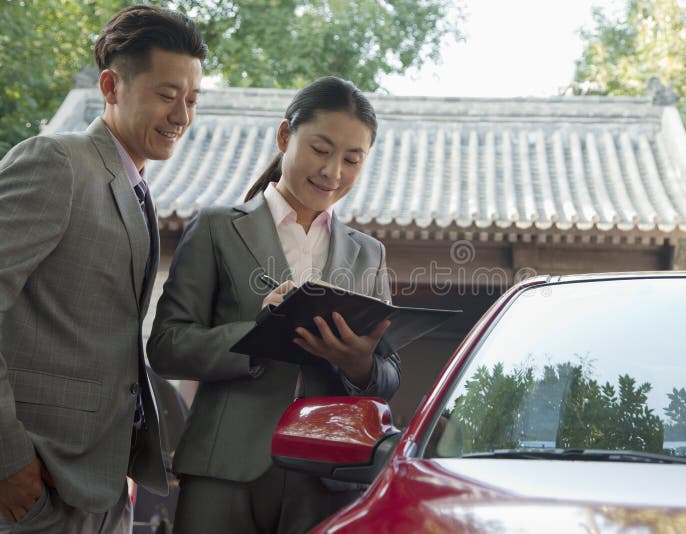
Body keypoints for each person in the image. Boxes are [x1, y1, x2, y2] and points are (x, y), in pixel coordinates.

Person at [147, 76, 401, 533]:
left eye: (352, 159)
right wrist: (260, 336)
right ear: (285, 137)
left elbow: (387, 375)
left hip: (328, 475)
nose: (333, 172)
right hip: (223, 470)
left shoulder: (368, 254)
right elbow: (166, 345)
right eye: (321, 150)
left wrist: (360, 364)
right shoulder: (217, 228)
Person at [0, 5, 206, 532]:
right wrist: (9, 460)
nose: (181, 115)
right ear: (111, 86)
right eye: (166, 95)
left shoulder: (136, 187)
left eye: (191, 99)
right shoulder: (56, 162)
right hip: (36, 479)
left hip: (103, 482)